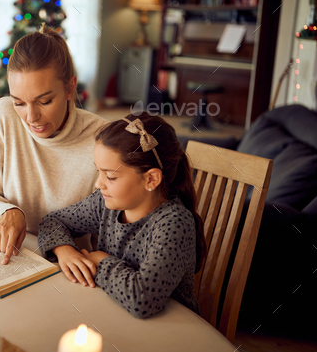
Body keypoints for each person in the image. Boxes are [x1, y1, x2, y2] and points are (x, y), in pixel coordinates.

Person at [38, 113, 207, 319]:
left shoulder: (174, 224)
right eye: (99, 172)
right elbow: (52, 221)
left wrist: (100, 260)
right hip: (115, 314)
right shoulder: (106, 204)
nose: (99, 183)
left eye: (110, 176)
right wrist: (64, 251)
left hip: (171, 331)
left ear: (151, 179)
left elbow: (143, 300)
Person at [0, 24, 107, 265]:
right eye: (19, 103)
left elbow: (111, 229)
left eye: (44, 101)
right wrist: (7, 211)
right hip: (11, 258)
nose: (31, 117)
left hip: (69, 265)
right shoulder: (2, 116)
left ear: (70, 87)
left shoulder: (102, 138)